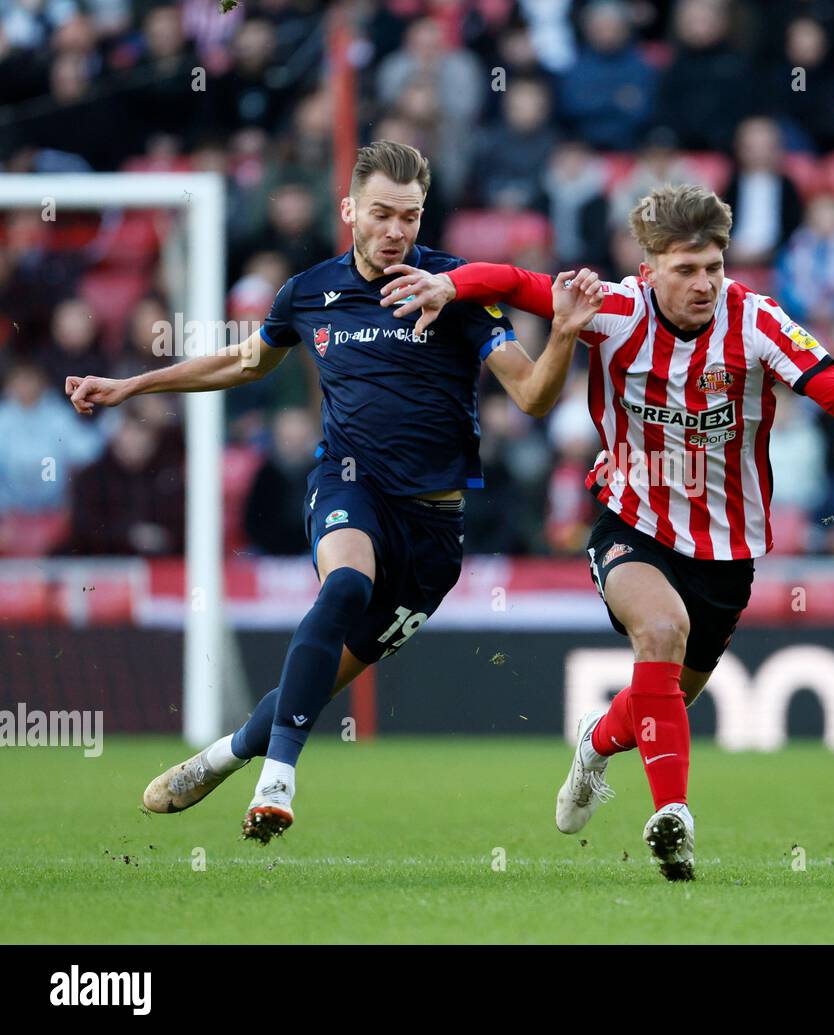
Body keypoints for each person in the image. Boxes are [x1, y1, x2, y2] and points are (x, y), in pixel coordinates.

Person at [386, 183, 834, 880]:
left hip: (726, 549)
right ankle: (672, 817)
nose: (704, 283)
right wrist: (447, 282)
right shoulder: (612, 311)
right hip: (630, 523)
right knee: (661, 632)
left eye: (714, 267)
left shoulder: (757, 321)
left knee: (665, 691)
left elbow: (831, 385)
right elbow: (516, 282)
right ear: (649, 271)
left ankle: (595, 744)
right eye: (686, 269)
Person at [64, 141, 602, 843]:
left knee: (314, 684)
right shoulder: (310, 292)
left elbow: (532, 396)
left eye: (409, 216)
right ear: (349, 209)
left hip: (434, 536)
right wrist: (134, 384)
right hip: (350, 484)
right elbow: (247, 360)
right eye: (381, 213)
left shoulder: (456, 289)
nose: (395, 231)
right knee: (343, 585)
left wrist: (562, 332)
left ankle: (225, 754)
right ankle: (278, 780)